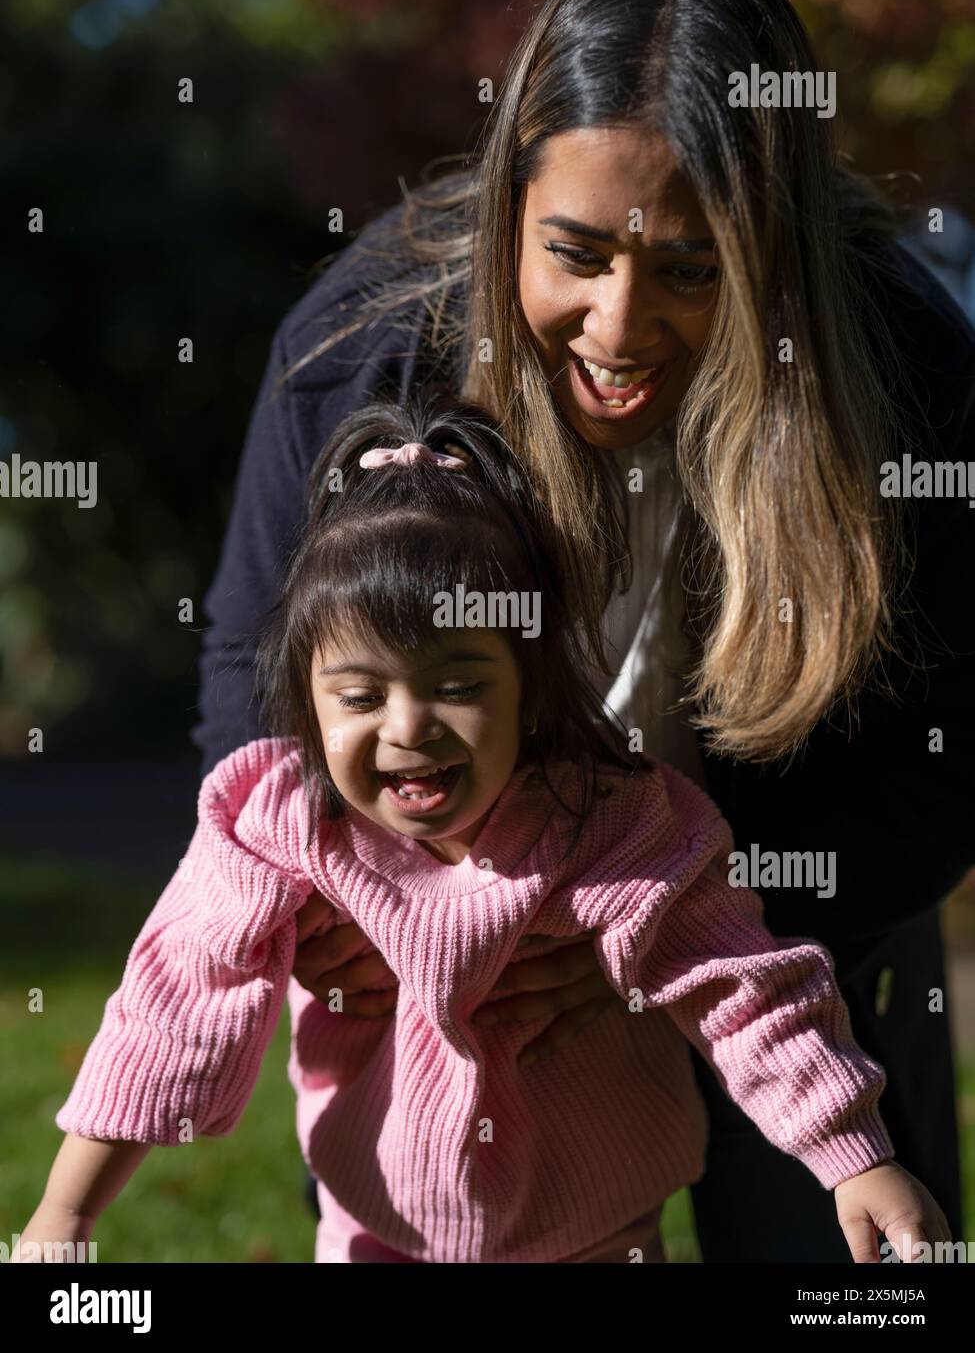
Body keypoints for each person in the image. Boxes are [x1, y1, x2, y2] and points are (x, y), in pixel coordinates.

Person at [193, 0, 975, 1260]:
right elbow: (252, 678)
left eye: (689, 266)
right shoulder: (359, 353)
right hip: (449, 964)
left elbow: (944, 744)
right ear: (509, 202)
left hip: (782, 931)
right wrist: (368, 914)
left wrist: (665, 938)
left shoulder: (899, 362)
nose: (619, 325)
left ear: (773, 248)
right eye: (575, 252)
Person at [17, 399, 951, 1264]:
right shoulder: (277, 825)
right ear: (306, 698)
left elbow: (742, 991)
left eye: (459, 686)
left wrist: (854, 1156)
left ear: (531, 688)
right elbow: (172, 1012)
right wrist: (67, 1212)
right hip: (376, 1229)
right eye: (359, 694)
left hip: (596, 1232)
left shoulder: (614, 823)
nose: (408, 727)